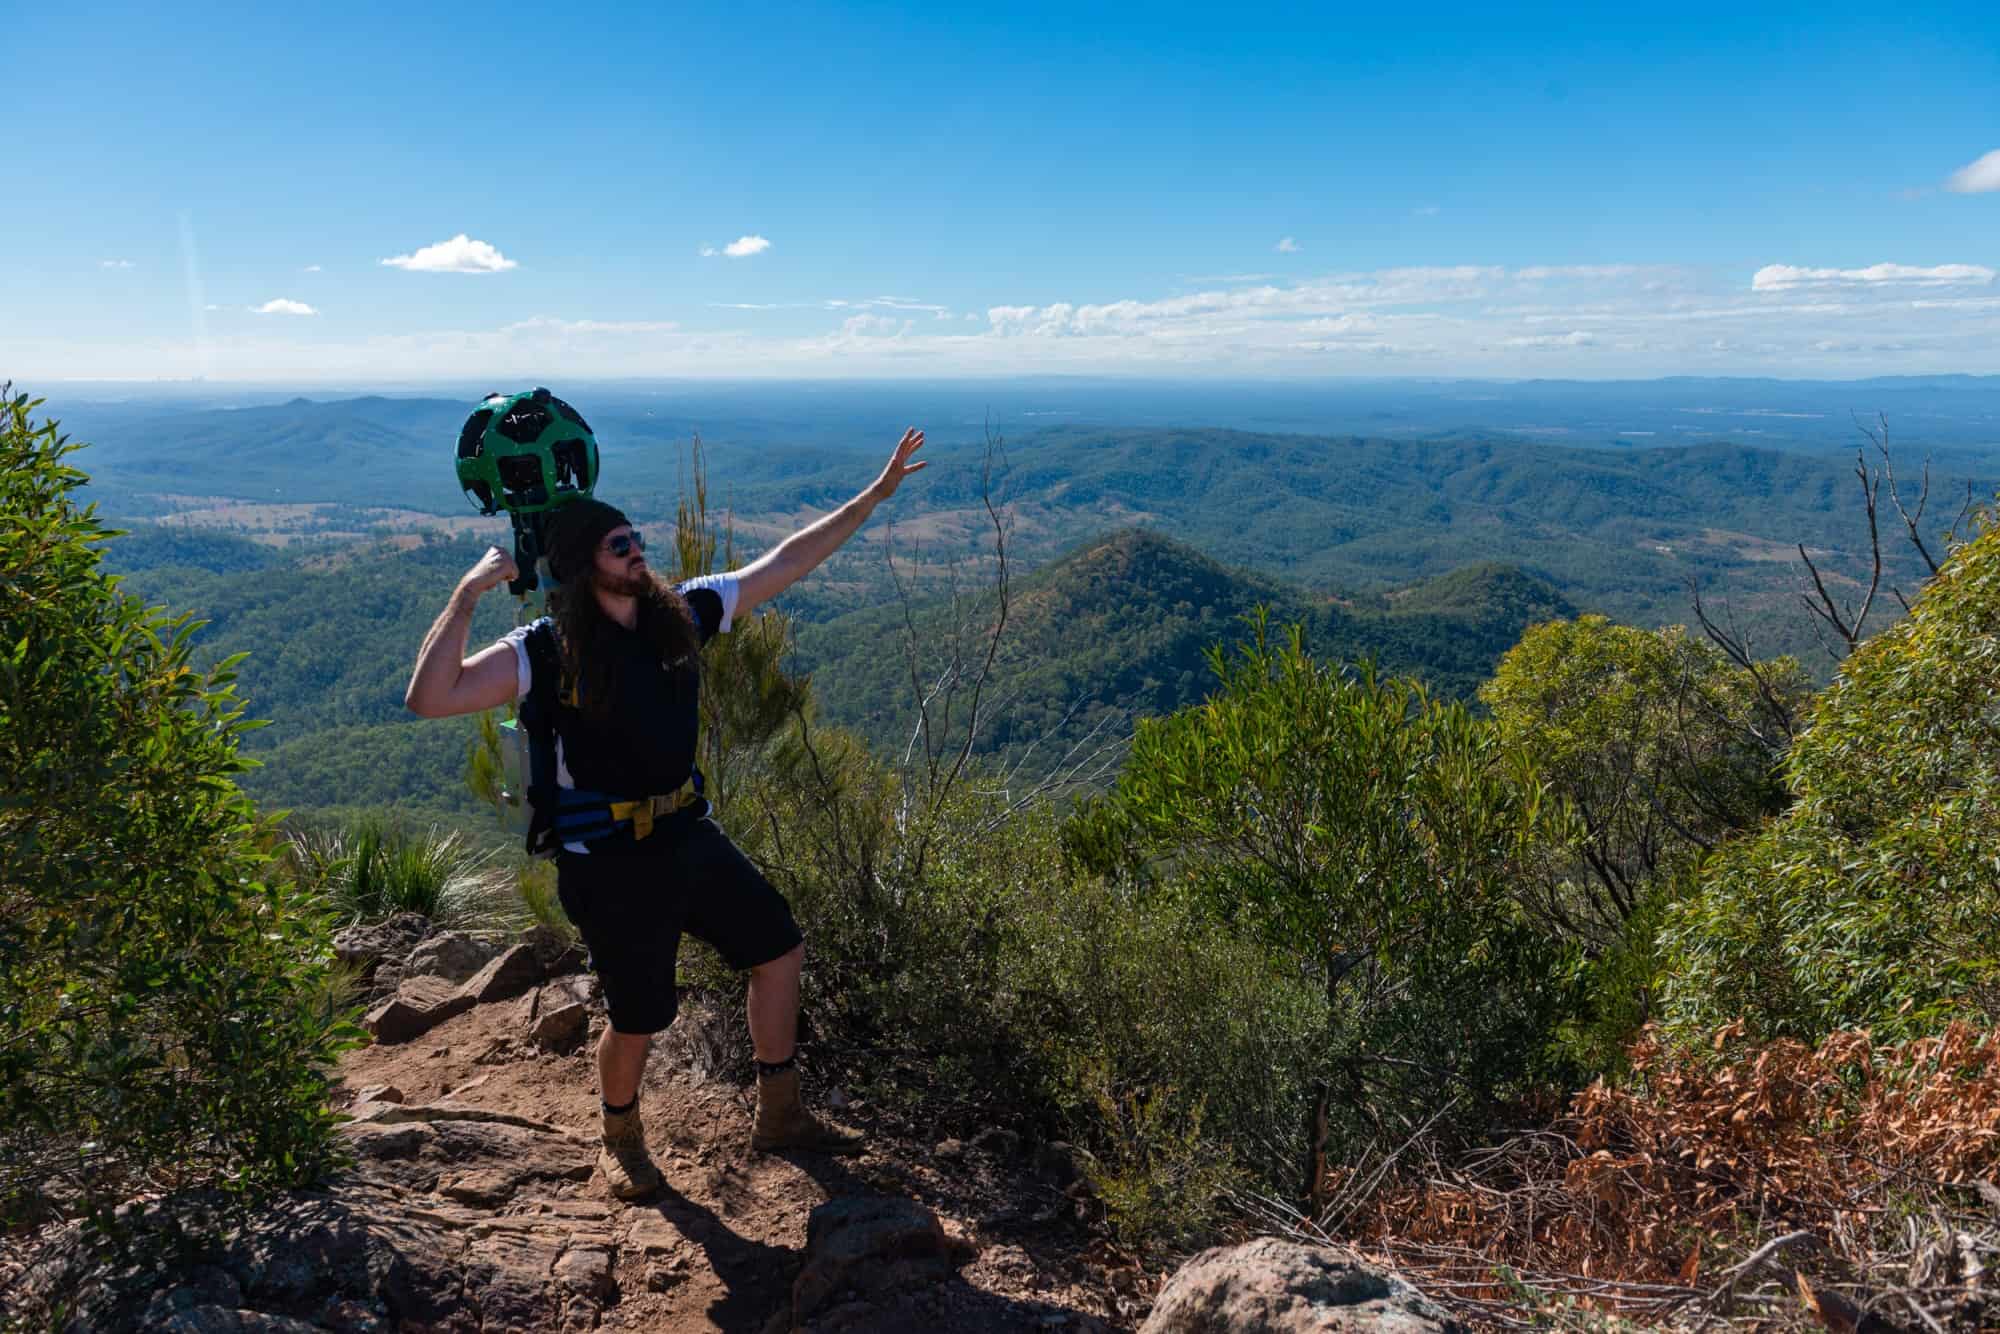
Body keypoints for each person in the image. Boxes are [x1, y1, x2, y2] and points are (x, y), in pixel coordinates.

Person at [405, 424, 927, 1199]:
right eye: (620, 545)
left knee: (778, 950)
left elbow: (782, 563)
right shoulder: (541, 653)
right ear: (586, 568)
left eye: (636, 538)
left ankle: (778, 1113)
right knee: (640, 1015)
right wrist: (466, 593)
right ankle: (619, 1131)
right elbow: (430, 697)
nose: (638, 550)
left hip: (686, 830)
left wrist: (874, 498)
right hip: (607, 859)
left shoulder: (681, 612)